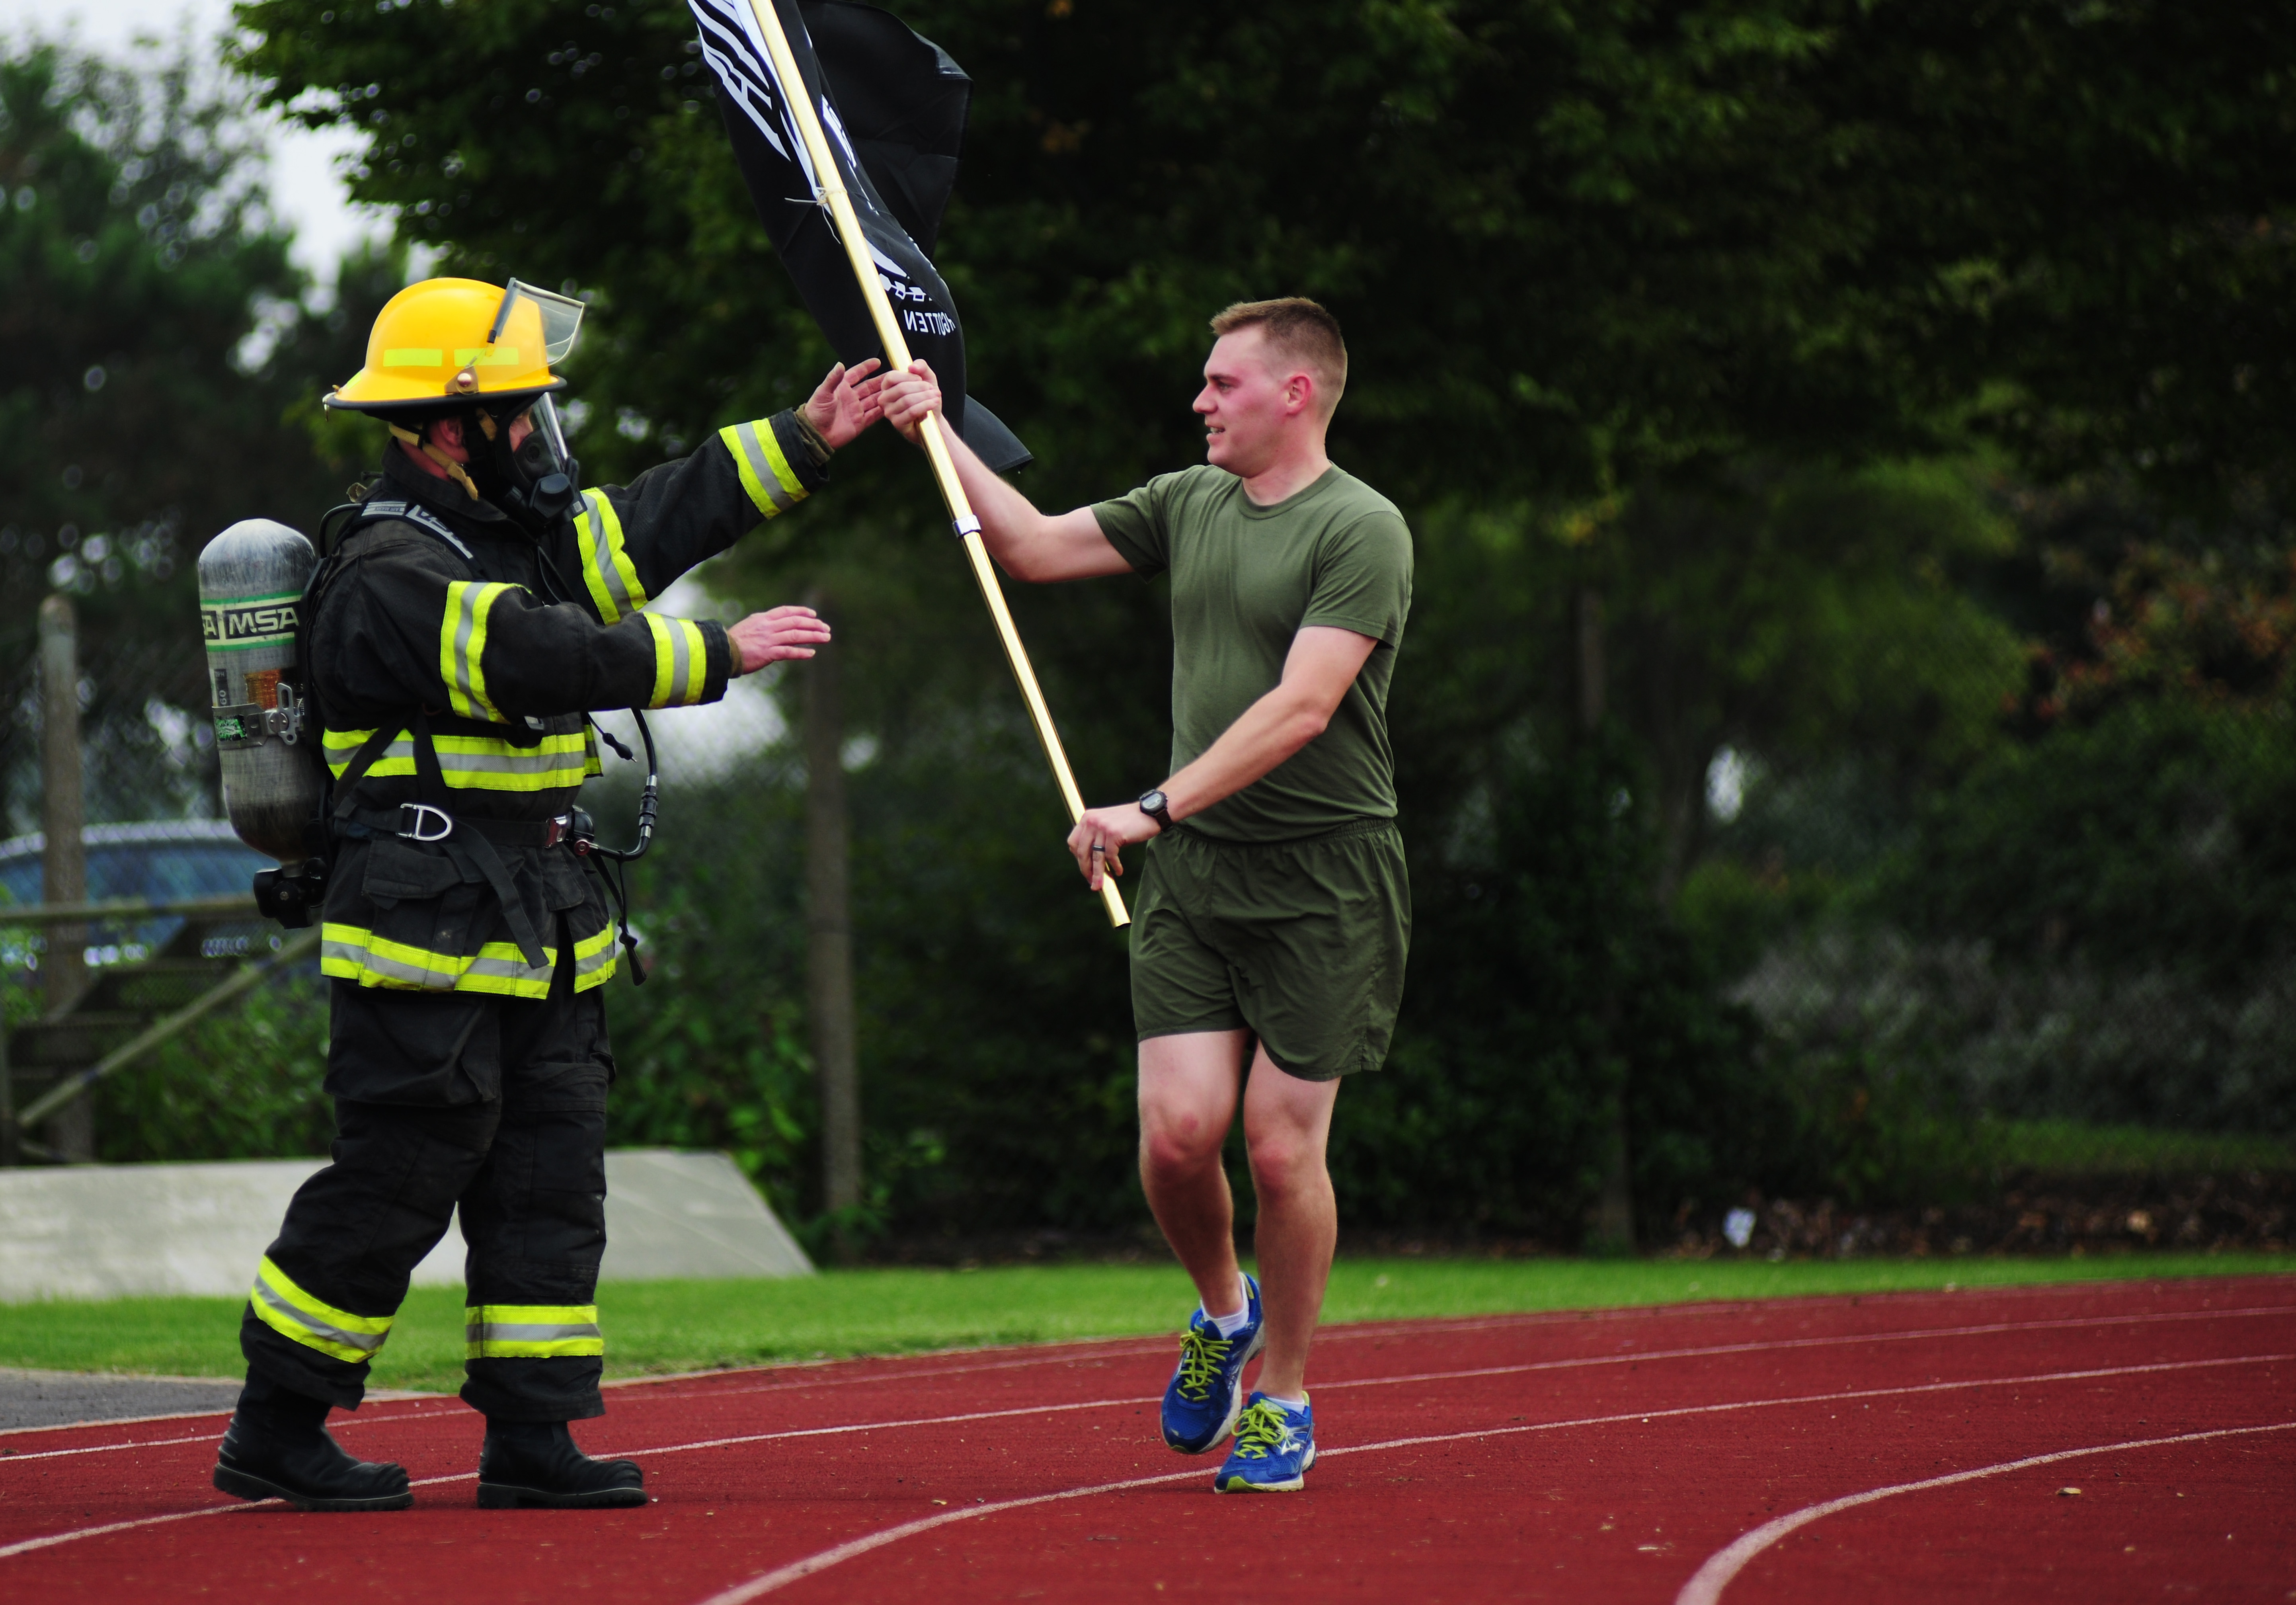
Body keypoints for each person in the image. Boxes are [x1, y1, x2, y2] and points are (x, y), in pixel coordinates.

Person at [213, 276, 882, 1513]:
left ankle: (533, 1437)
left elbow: (657, 520)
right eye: (526, 419)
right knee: (401, 1177)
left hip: (542, 917)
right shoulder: (391, 566)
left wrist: (805, 437)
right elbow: (534, 657)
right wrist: (720, 653)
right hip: (424, 932)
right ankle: (277, 1427)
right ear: (453, 428)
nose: (545, 442)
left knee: (549, 1174)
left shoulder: (514, 538)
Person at [882, 297, 1412, 1493]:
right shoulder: (1188, 500)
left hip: (1326, 880)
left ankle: (1285, 1395)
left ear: (1297, 394)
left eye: (1223, 384)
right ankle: (1226, 1314)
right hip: (1196, 879)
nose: (1200, 402)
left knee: (1281, 1154)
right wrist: (935, 426)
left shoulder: (1363, 528)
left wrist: (1154, 807)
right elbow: (1028, 546)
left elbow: (1304, 707)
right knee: (1178, 1143)